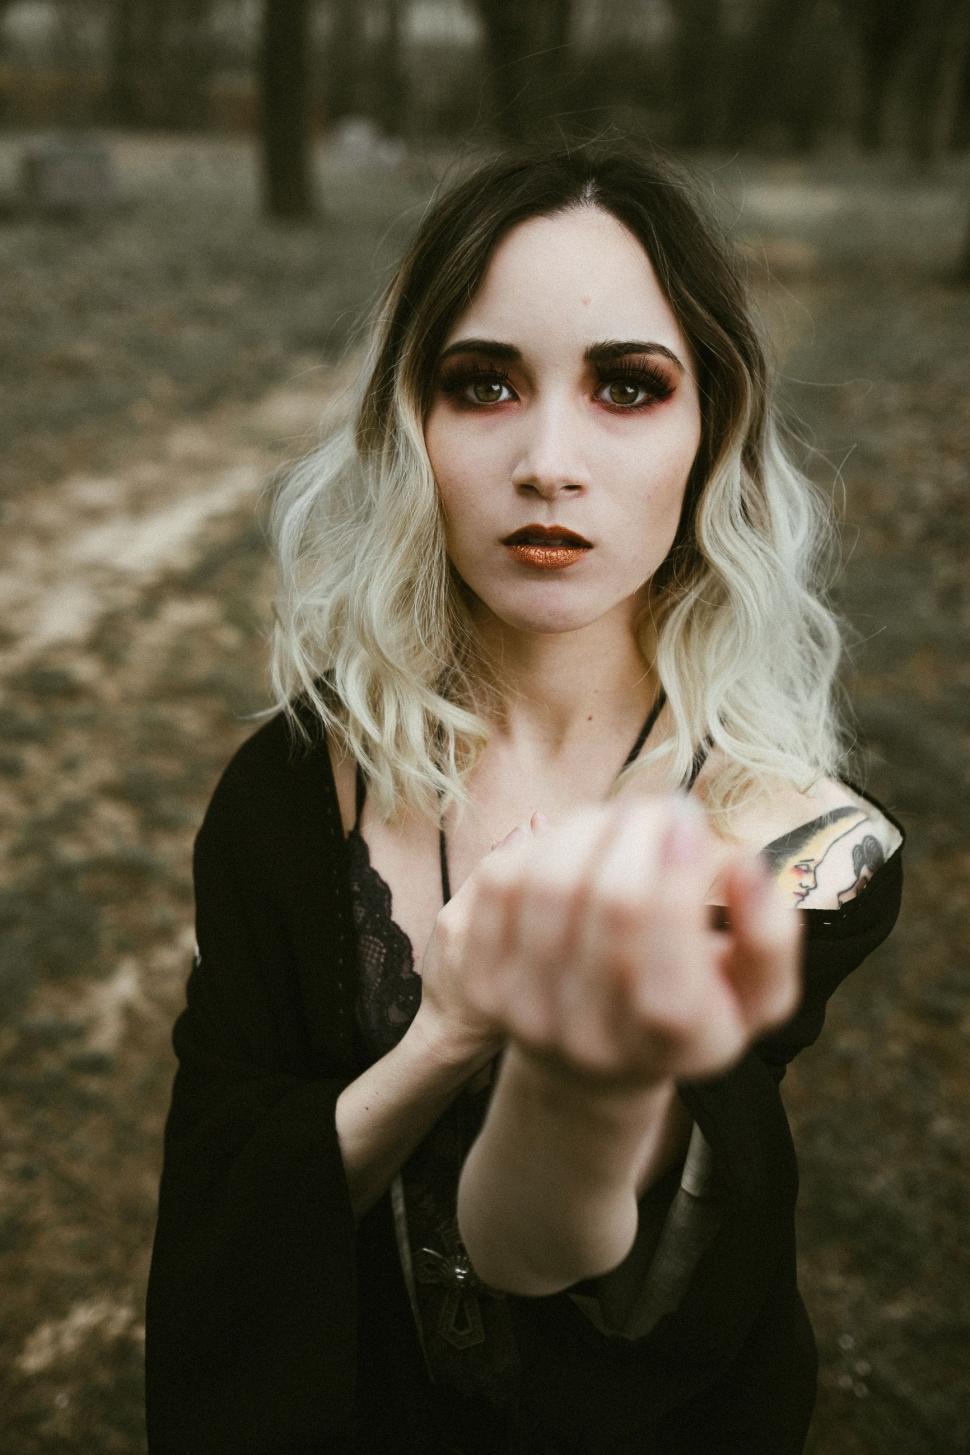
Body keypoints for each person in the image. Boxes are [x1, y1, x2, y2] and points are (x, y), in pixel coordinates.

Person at [144, 140, 905, 1455]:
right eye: (482, 383)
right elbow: (222, 1187)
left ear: (708, 429)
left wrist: (574, 1070)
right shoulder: (290, 788)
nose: (548, 460)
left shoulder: (790, 848)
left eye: (625, 386)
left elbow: (547, 1251)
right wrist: (445, 1037)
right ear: (412, 424)